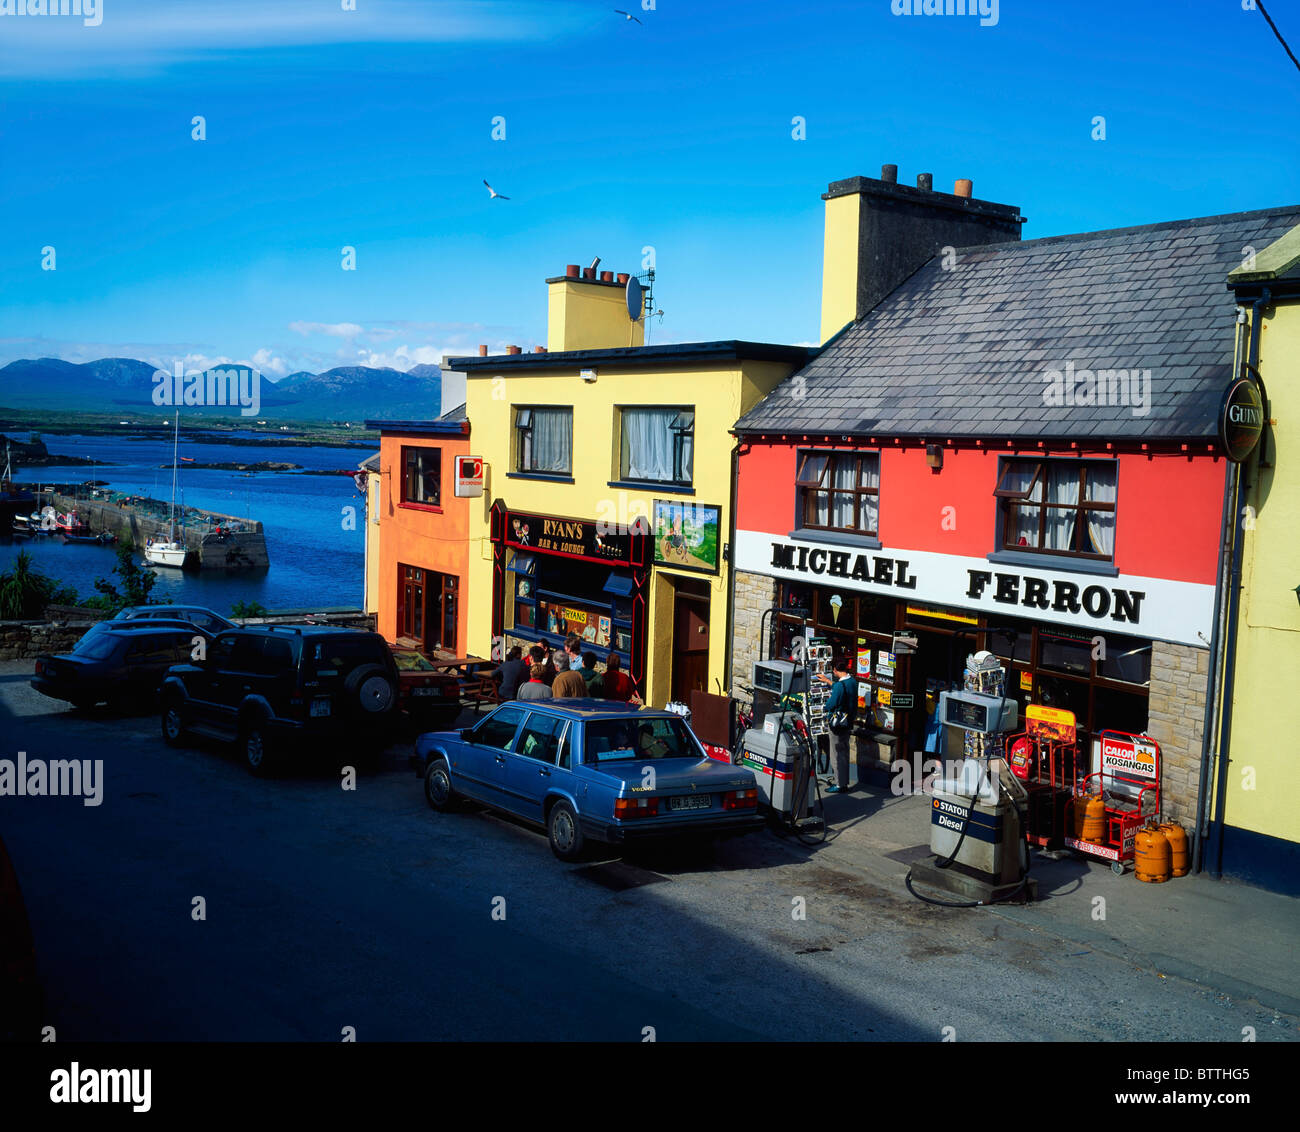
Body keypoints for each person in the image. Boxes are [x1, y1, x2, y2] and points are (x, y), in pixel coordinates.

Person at [819, 656, 859, 794]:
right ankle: (844, 781)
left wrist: (823, 706)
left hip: (837, 723)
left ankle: (839, 784)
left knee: (836, 754)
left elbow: (831, 703)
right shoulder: (852, 681)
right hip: (848, 722)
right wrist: (828, 681)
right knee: (844, 752)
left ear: (835, 670)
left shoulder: (840, 687)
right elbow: (841, 687)